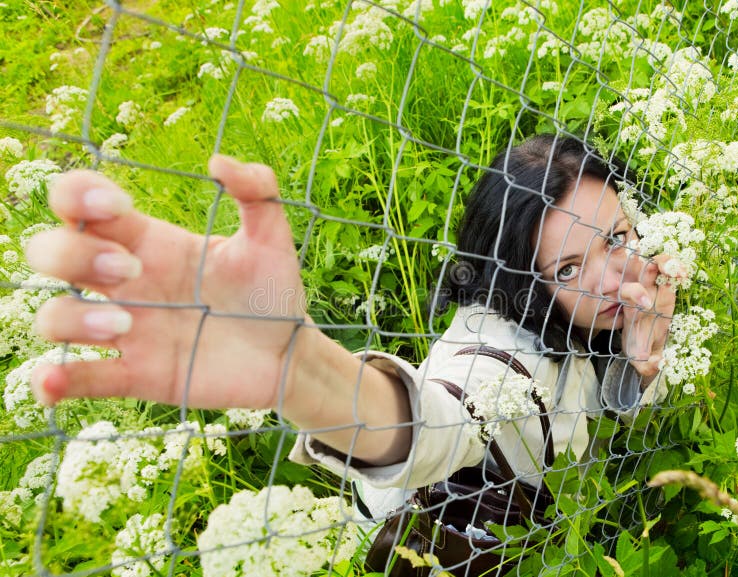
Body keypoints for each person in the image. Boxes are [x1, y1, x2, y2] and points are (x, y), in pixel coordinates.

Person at [25, 133, 677, 524]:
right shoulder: (496, 364)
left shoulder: (609, 307)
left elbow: (591, 392)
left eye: (617, 236)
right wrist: (298, 367)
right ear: (520, 279)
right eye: (568, 265)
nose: (614, 272)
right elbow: (432, 425)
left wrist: (640, 367)